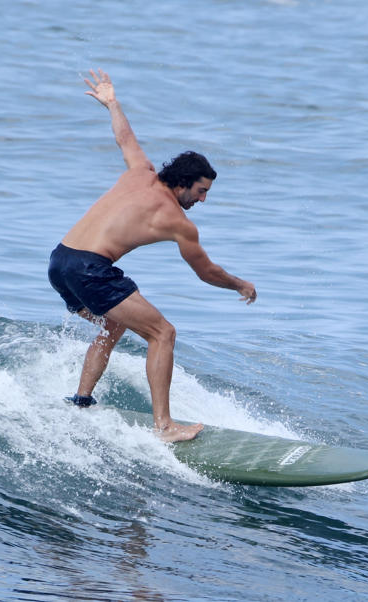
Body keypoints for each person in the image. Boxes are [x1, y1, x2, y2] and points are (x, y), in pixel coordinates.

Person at [48, 69, 257, 443]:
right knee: (163, 333)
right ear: (183, 183)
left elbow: (123, 136)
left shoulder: (139, 172)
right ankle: (164, 427)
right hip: (90, 269)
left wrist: (112, 102)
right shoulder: (177, 221)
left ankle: (80, 401)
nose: (203, 200)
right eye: (201, 191)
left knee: (113, 324)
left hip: (60, 261)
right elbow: (205, 271)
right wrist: (240, 284)